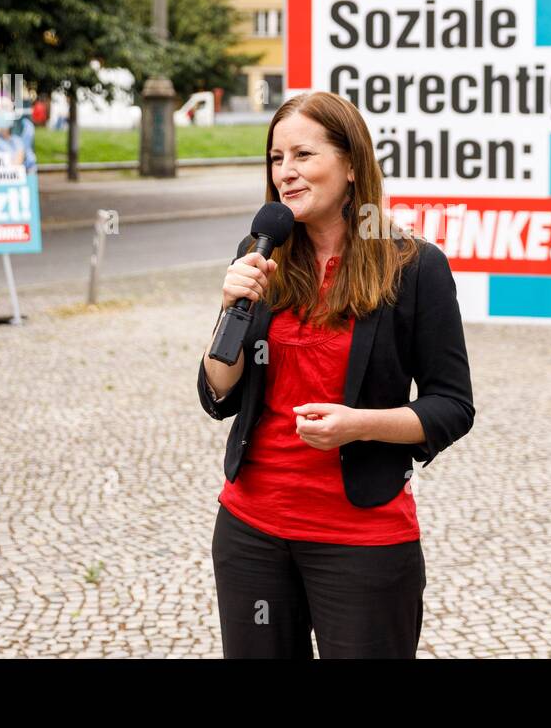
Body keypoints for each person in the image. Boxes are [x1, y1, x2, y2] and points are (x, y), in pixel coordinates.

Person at [198, 91, 474, 658]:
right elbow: (218, 392)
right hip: (251, 529)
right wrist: (231, 308)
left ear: (352, 165)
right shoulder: (260, 254)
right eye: (276, 159)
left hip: (363, 538)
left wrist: (360, 425)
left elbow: (452, 406)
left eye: (303, 154)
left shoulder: (415, 266)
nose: (286, 173)